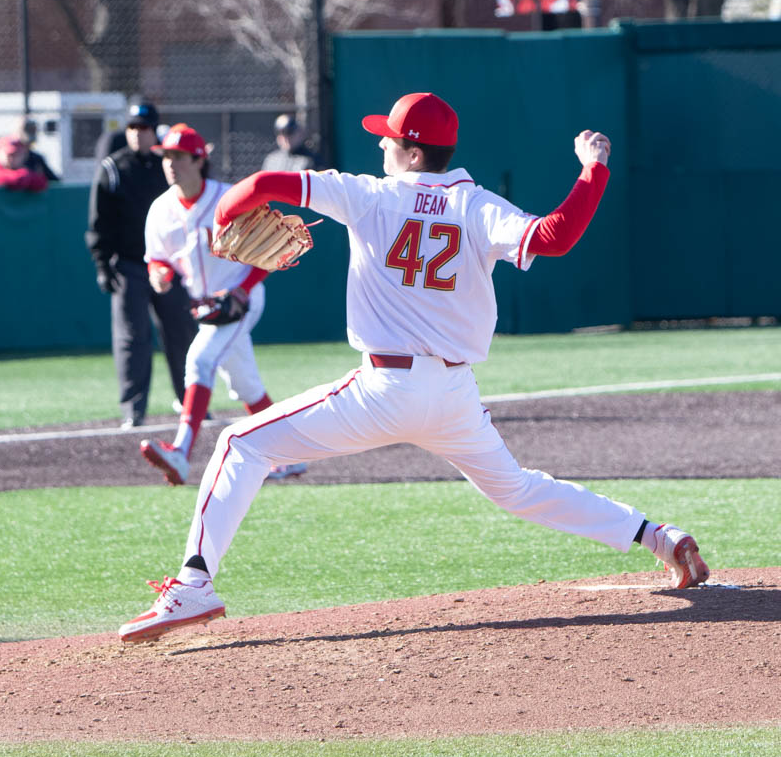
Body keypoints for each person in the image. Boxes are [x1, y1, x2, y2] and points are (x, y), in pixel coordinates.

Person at [119, 91, 710, 643]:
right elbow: (555, 237)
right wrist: (592, 169)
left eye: (388, 138)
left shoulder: (368, 194)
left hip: (384, 388)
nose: (380, 145)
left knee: (240, 443)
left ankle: (194, 584)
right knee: (519, 489)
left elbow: (263, 183)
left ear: (413, 151)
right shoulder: (476, 204)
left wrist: (224, 217)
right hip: (453, 395)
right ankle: (658, 536)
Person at [136, 123, 307, 487]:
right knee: (247, 387)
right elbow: (157, 258)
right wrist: (159, 274)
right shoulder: (160, 209)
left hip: (241, 299)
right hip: (206, 307)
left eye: (179, 157)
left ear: (199, 160)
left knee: (200, 359)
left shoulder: (227, 198)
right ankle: (291, 456)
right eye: (167, 157)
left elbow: (269, 250)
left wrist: (244, 289)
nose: (171, 164)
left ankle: (181, 453)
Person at [86, 100, 197, 429]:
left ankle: (192, 404)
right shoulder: (113, 168)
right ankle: (133, 411)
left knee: (182, 337)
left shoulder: (170, 166)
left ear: (155, 131)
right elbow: (98, 223)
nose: (137, 133)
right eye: (132, 127)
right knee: (132, 341)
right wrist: (103, 266)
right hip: (130, 266)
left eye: (144, 127)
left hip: (169, 266)